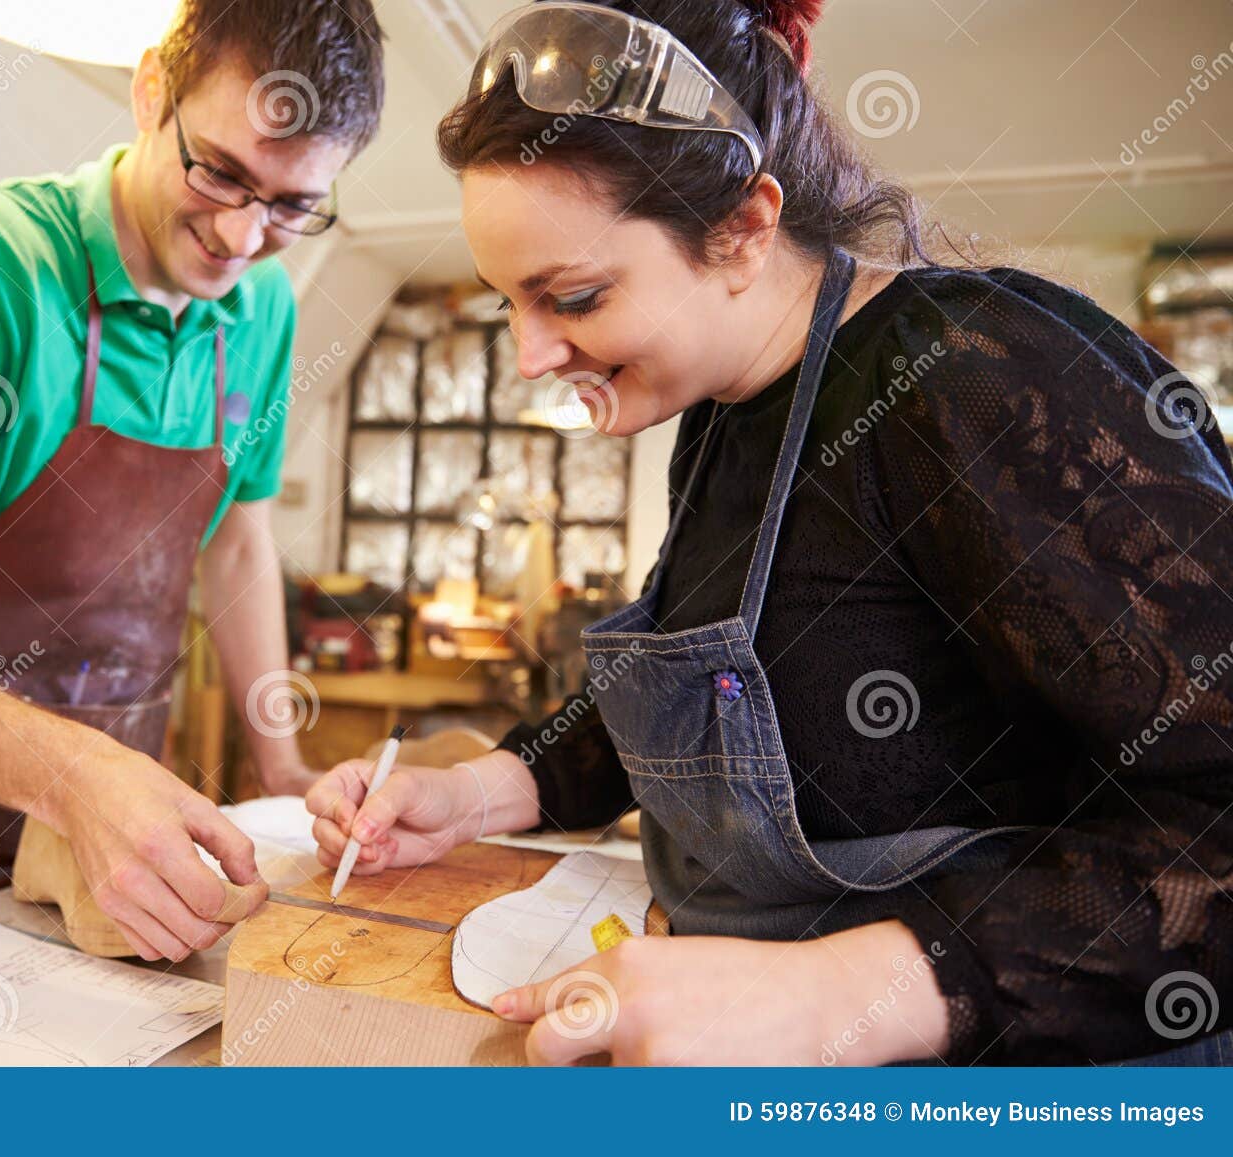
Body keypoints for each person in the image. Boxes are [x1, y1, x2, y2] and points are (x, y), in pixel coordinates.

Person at [307, 0, 1233, 1065]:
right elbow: (717, 710)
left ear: (743, 226)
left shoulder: (968, 377)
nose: (529, 356)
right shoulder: (718, 414)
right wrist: (474, 789)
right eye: (506, 302)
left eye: (573, 296)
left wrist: (831, 993)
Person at [0, 0, 385, 964]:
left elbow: (237, 543)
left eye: (291, 205)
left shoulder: (262, 307)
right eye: (218, 170)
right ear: (150, 95)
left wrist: (283, 769)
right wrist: (76, 775)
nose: (238, 234)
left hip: (107, 889)